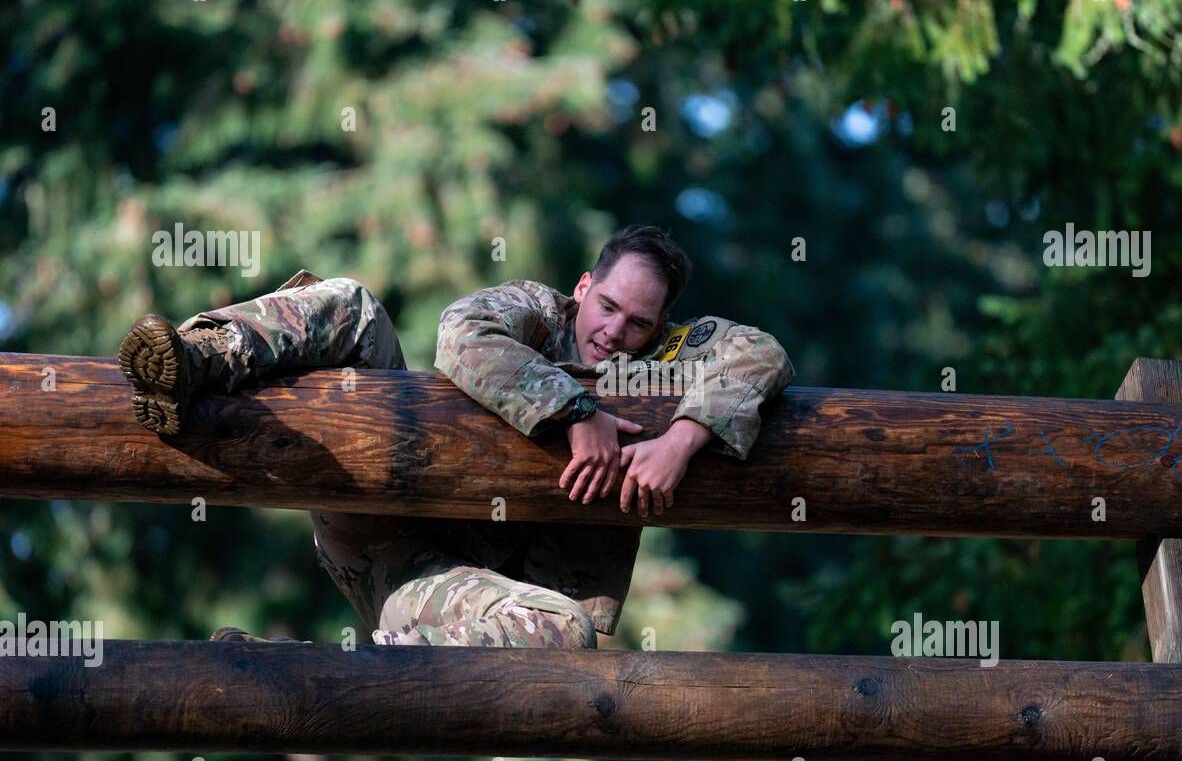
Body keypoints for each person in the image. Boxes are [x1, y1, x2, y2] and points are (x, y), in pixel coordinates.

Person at [117, 225, 794, 649]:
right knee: (353, 305)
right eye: (606, 306)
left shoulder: (666, 359)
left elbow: (761, 352)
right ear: (582, 287)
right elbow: (461, 333)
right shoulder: (537, 309)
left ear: (662, 326)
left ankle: (322, 670)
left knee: (565, 631)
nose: (614, 332)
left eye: (638, 324)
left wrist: (682, 438)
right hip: (386, 522)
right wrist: (576, 411)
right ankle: (194, 362)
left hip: (458, 589)